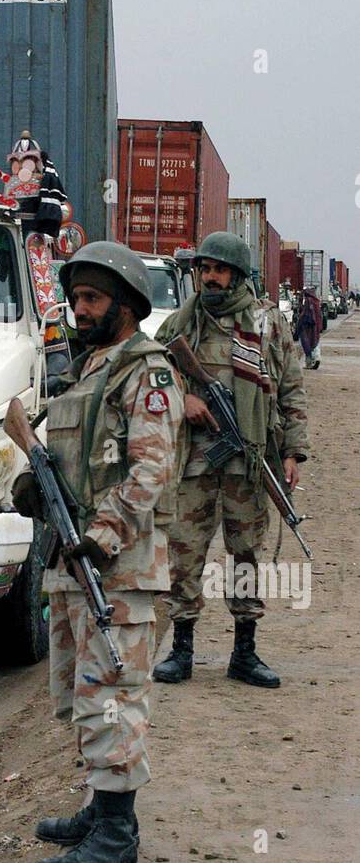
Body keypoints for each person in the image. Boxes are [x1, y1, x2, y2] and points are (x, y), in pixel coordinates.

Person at [12, 242, 184, 863]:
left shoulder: (147, 372)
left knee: (113, 694)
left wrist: (104, 533)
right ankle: (101, 807)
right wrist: (29, 488)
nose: (79, 309)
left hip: (118, 564)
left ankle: (117, 840)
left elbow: (151, 469)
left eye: (92, 299)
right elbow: (62, 461)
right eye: (76, 298)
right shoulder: (86, 373)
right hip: (74, 563)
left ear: (127, 306)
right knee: (79, 694)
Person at [152, 232, 309, 689]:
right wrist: (183, 397)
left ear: (238, 275)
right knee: (186, 553)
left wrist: (294, 452)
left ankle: (244, 651)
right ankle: (181, 649)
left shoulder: (267, 324)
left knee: (246, 556)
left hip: (250, 459)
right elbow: (151, 378)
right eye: (204, 269)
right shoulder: (179, 325)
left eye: (220, 270)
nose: (211, 277)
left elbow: (292, 389)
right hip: (194, 462)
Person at [5, 131, 67, 240]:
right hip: (13, 231)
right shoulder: (11, 184)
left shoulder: (44, 184)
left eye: (27, 162)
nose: (21, 167)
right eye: (16, 162)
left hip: (35, 231)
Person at [296, 285, 322, 369]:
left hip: (307, 327)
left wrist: (300, 325)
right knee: (315, 342)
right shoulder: (316, 302)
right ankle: (316, 358)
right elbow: (318, 316)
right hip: (315, 327)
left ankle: (309, 362)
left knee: (305, 343)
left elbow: (304, 314)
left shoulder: (307, 301)